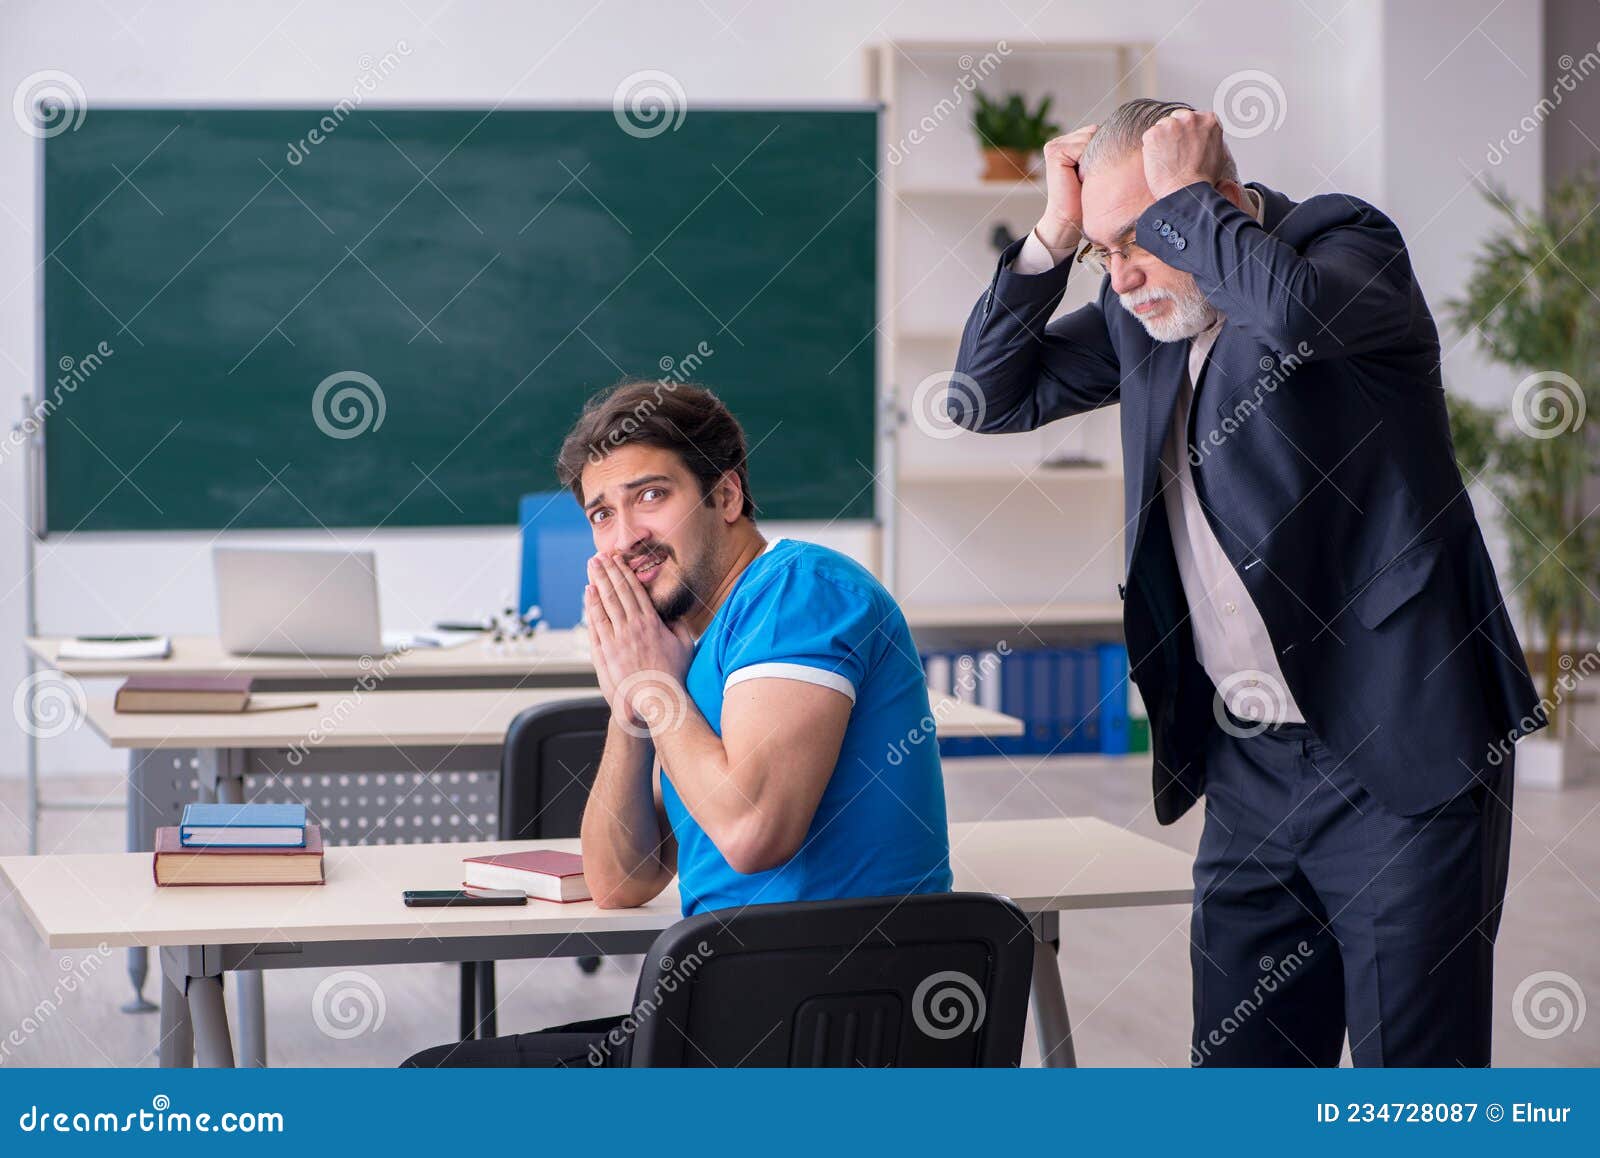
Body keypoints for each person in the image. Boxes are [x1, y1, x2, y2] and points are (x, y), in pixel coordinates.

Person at [951, 99, 1543, 1066]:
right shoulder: (1144, 314)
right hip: (1249, 767)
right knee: (1241, 1079)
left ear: (1218, 199)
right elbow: (985, 397)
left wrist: (1183, 200)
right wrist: (1055, 234)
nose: (1124, 275)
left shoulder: (1347, 248)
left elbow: (1295, 317)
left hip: (1402, 747)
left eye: (1144, 238)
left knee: (1417, 1093)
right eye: (1106, 252)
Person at [403, 378, 952, 1067]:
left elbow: (753, 834)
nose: (625, 537)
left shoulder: (799, 592)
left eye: (651, 496)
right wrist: (632, 702)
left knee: (435, 1081)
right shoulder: (693, 648)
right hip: (749, 1009)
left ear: (726, 496)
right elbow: (621, 880)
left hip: (834, 1027)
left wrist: (656, 687)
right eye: (602, 513)